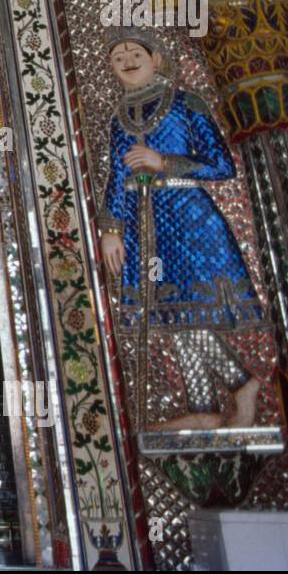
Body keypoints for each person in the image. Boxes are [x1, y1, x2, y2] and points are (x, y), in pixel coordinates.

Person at [99, 28, 262, 430]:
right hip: (142, 222)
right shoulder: (119, 119)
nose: (127, 61)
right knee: (170, 313)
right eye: (118, 57)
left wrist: (164, 162)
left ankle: (241, 385)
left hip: (187, 214)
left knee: (190, 311)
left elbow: (221, 164)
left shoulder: (185, 102)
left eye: (135, 52)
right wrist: (111, 228)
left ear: (156, 60)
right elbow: (117, 177)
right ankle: (206, 408)